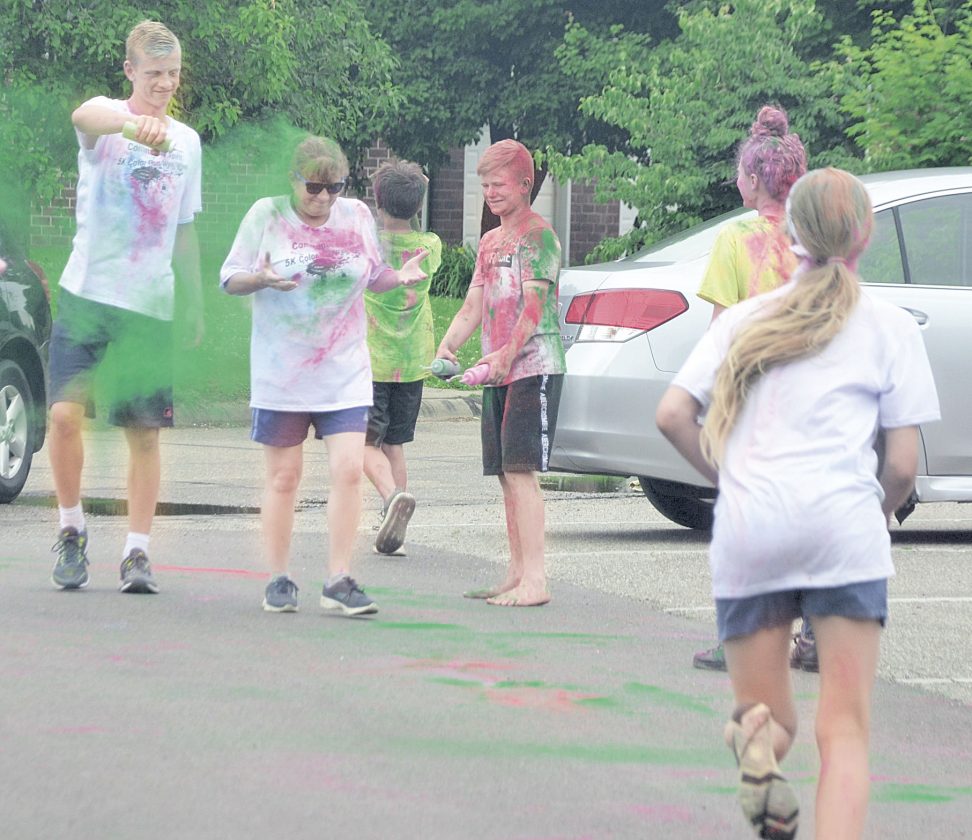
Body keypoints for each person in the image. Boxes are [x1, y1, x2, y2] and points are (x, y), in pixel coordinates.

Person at [656, 167, 939, 839]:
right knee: (843, 732)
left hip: (753, 528)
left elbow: (672, 414)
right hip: (843, 530)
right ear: (864, 234)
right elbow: (901, 464)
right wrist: (873, 516)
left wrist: (730, 481)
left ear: (790, 234)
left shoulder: (746, 321)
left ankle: (754, 745)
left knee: (771, 719)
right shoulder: (890, 326)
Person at [220, 136, 427, 615]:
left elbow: (371, 274)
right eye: (313, 187)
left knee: (349, 469)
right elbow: (229, 277)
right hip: (283, 371)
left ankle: (338, 578)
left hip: (344, 368)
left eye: (334, 187)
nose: (323, 198)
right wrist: (260, 279)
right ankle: (278, 578)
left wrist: (399, 276)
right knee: (284, 479)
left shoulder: (355, 216)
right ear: (294, 180)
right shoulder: (265, 216)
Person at [48, 20, 203, 594]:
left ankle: (137, 552)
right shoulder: (106, 121)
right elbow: (82, 118)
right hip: (88, 294)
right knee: (65, 416)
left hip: (150, 305)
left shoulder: (187, 143)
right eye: (154, 73)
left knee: (143, 432)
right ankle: (70, 530)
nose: (165, 83)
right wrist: (133, 125)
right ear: (129, 71)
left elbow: (185, 227)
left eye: (173, 73)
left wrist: (192, 303)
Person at [691, 105, 816, 672]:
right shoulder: (815, 235)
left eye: (740, 174)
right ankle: (814, 630)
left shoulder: (734, 239)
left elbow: (721, 329)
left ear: (753, 178)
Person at [436, 139, 565, 607]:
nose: (490, 192)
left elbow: (534, 306)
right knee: (505, 474)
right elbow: (475, 303)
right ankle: (515, 572)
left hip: (534, 366)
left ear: (525, 185)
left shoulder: (539, 237)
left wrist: (508, 355)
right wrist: (450, 343)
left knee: (521, 470)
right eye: (485, 185)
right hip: (498, 370)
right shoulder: (491, 242)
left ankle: (537, 579)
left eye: (499, 184)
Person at [363, 161, 442, 556]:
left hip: (373, 360)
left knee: (362, 442)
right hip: (413, 361)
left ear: (378, 202)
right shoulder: (430, 247)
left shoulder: (369, 246)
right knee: (395, 442)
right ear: (417, 205)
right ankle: (395, 513)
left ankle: (392, 497)